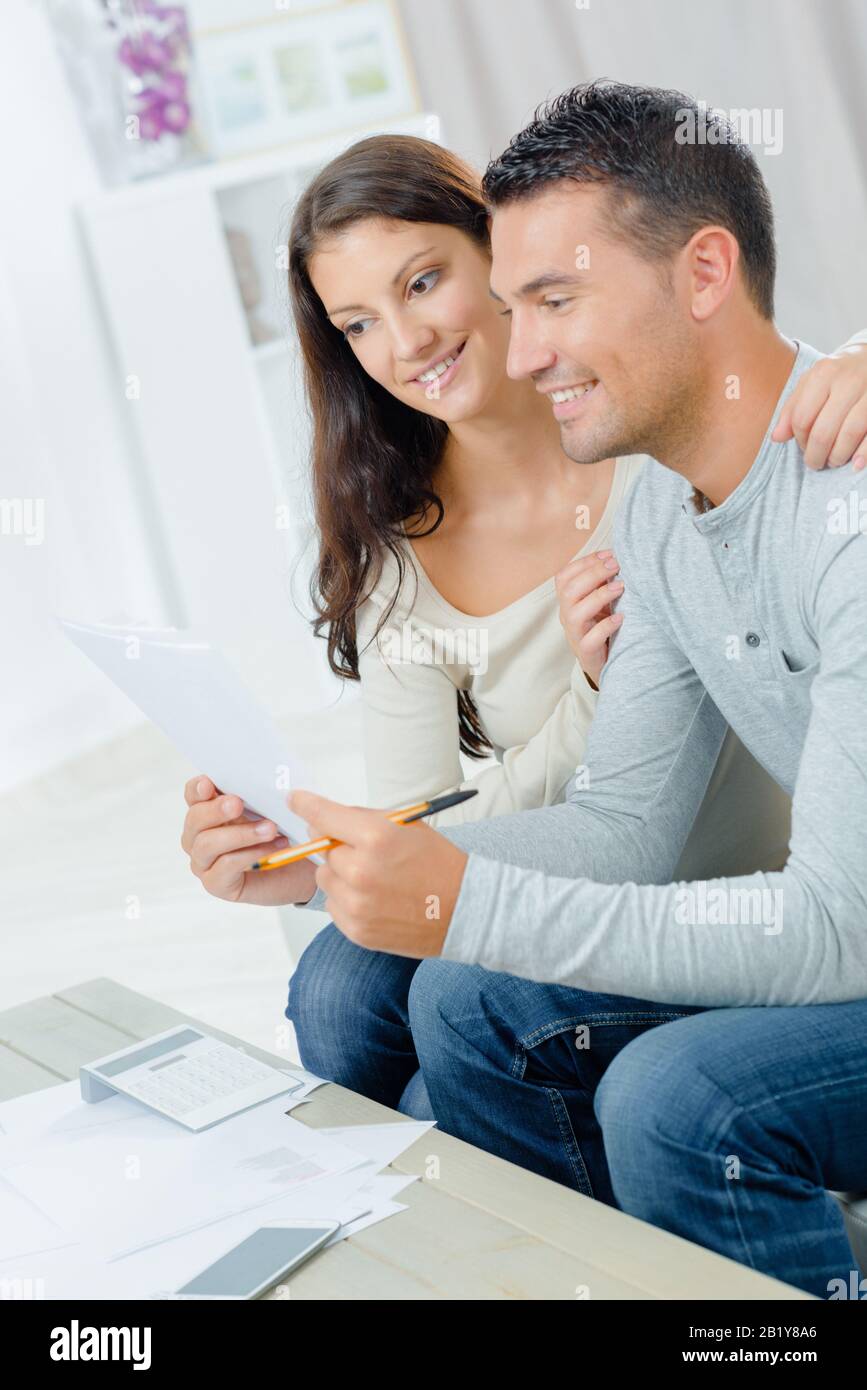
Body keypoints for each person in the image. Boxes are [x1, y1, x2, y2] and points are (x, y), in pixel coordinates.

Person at [181, 95, 867, 1295]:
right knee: (438, 997)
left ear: (703, 271)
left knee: (668, 1096)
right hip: (782, 913)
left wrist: (462, 899)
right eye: (519, 301)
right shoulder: (656, 495)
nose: (524, 343)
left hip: (811, 917)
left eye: (551, 299)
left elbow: (830, 922)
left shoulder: (834, 486)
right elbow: (621, 820)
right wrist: (347, 856)